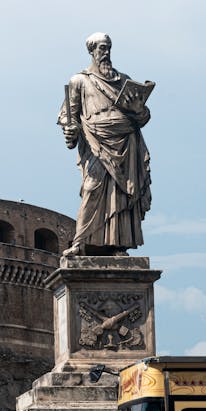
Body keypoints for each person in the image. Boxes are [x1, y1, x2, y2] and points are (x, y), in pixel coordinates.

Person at [59, 33, 153, 256]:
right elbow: (67, 114)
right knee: (92, 188)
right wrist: (70, 130)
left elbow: (142, 117)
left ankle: (118, 245)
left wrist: (139, 109)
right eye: (102, 48)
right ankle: (79, 243)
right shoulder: (79, 81)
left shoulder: (124, 81)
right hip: (96, 142)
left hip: (126, 142)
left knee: (121, 194)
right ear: (91, 51)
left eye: (109, 48)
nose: (106, 53)